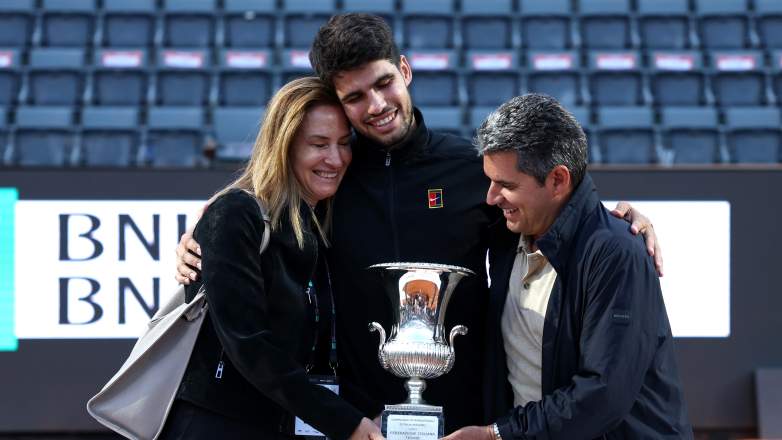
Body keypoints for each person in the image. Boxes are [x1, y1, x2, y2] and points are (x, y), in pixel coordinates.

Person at [175, 14, 662, 434]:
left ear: (404, 70)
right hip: (356, 419)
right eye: (355, 96)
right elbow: (263, 197)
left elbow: (549, 206)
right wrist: (208, 222)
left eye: (384, 83)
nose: (376, 105)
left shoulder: (471, 169)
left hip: (465, 420)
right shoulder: (332, 176)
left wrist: (617, 220)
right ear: (340, 103)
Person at [443, 94, 692, 440]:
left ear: (558, 180)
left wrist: (497, 434)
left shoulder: (618, 254)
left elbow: (601, 396)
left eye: (507, 185)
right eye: (490, 180)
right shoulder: (508, 228)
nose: (490, 197)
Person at [161, 77, 383, 440]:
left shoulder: (321, 227)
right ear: (285, 147)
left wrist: (367, 410)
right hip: (214, 425)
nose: (336, 158)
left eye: (344, 143)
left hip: (280, 425)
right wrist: (346, 422)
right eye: (319, 144)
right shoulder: (235, 213)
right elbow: (248, 344)